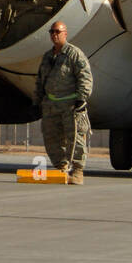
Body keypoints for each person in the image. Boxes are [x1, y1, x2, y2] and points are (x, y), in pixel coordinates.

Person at [33, 21, 93, 184]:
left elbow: (85, 77)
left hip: (70, 105)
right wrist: (37, 99)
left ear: (65, 33)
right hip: (50, 105)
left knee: (76, 138)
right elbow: (40, 79)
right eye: (51, 32)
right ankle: (61, 167)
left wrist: (82, 97)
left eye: (57, 32)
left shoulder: (74, 54)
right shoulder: (47, 56)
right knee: (51, 138)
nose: (54, 35)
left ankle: (78, 171)